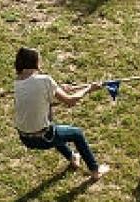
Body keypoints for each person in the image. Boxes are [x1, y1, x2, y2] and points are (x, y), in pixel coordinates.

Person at [12, 47, 108, 180]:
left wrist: (59, 89)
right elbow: (70, 101)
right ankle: (95, 171)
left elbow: (43, 101)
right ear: (35, 62)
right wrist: (89, 88)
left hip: (25, 138)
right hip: (43, 138)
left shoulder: (17, 82)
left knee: (56, 130)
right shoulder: (45, 80)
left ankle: (73, 158)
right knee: (77, 133)